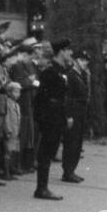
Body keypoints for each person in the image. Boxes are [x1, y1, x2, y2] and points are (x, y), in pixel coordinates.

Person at [32, 39, 71, 201]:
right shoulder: (50, 71)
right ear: (61, 51)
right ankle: (41, 188)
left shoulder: (61, 70)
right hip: (50, 116)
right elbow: (41, 97)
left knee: (50, 151)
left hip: (57, 115)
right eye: (69, 50)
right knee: (46, 152)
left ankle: (43, 187)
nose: (71, 54)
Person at [62, 49, 91, 182]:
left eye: (86, 60)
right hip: (73, 112)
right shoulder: (71, 75)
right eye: (81, 60)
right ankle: (67, 171)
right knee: (71, 142)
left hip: (81, 112)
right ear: (75, 61)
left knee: (78, 143)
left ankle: (72, 169)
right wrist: (68, 115)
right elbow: (67, 97)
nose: (84, 63)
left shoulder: (82, 75)